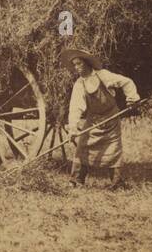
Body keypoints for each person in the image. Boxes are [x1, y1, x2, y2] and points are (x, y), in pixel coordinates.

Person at [60, 48, 141, 188]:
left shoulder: (103, 75)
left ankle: (117, 182)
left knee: (114, 149)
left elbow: (126, 82)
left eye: (79, 63)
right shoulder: (80, 84)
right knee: (82, 147)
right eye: (74, 65)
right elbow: (75, 107)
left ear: (86, 63)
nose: (77, 67)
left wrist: (132, 98)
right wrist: (72, 128)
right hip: (93, 121)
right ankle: (76, 181)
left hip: (111, 118)